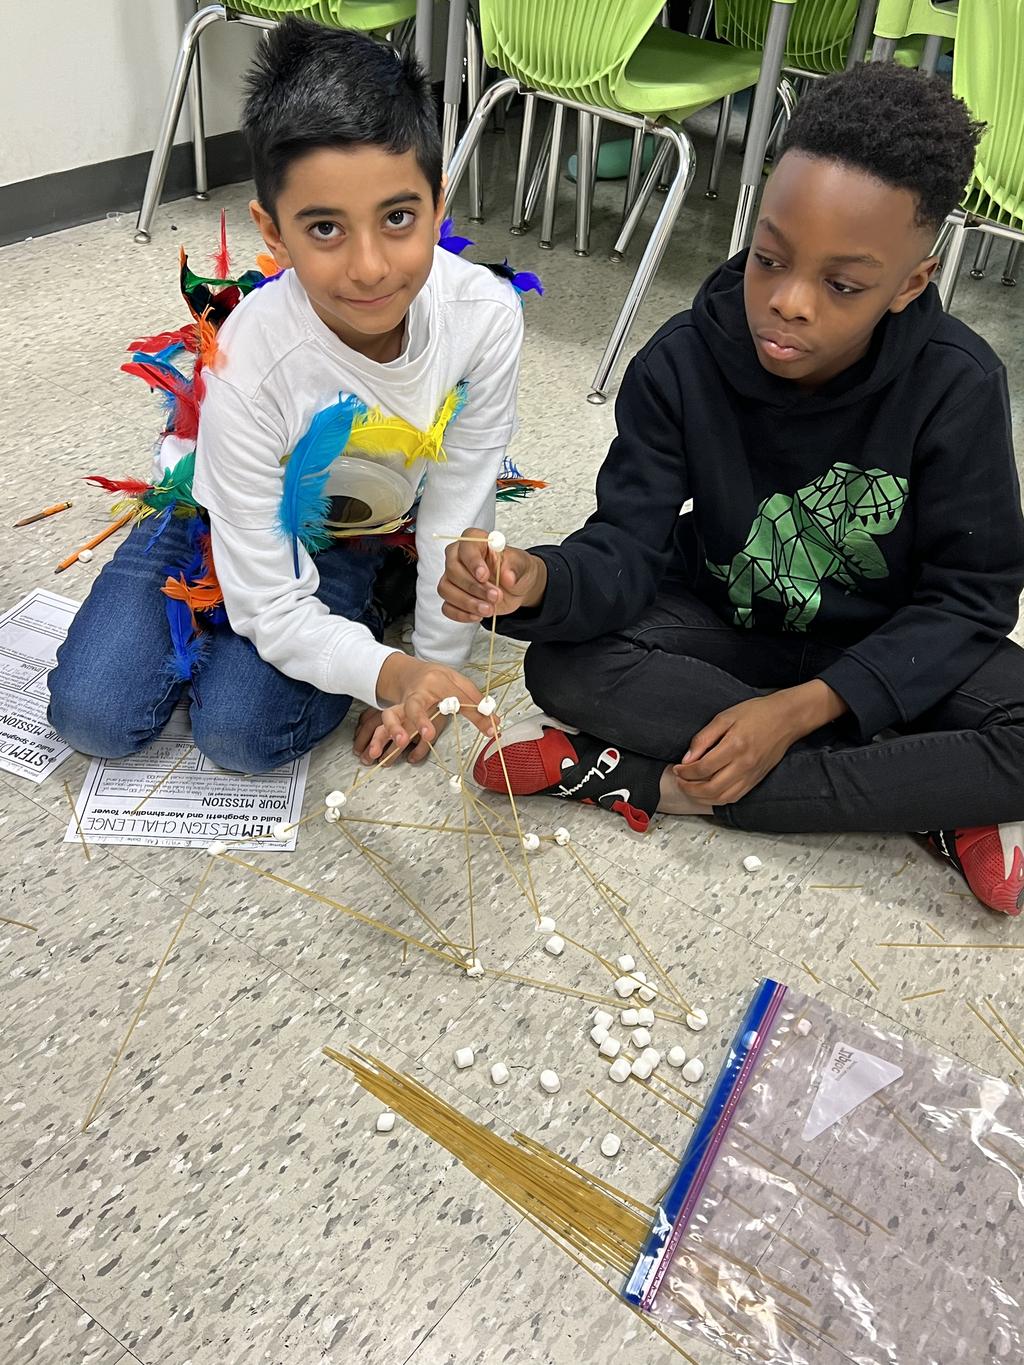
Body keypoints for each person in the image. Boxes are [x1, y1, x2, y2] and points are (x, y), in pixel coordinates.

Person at [440, 62, 1024, 915]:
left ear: (909, 283)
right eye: (769, 258)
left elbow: (971, 599)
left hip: (885, 644)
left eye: (842, 285)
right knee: (566, 663)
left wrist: (798, 712)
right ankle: (926, 798)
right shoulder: (681, 361)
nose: (787, 302)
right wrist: (539, 579)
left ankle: (639, 778)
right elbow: (624, 549)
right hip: (726, 622)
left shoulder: (959, 386)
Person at [49, 19, 527, 773]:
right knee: (93, 715)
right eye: (326, 228)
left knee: (240, 736)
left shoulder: (485, 319)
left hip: (355, 529)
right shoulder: (251, 360)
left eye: (398, 218)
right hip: (217, 514)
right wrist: (387, 670)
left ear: (440, 202)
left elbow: (460, 506)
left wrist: (431, 676)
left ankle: (370, 588)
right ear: (273, 232)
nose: (370, 268)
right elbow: (266, 604)